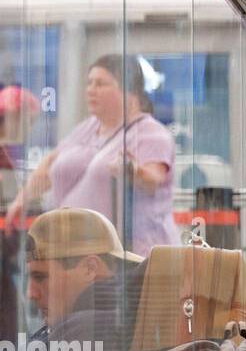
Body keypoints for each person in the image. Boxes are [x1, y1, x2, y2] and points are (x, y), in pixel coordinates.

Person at [4, 54, 181, 256]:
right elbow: (51, 164)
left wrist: (133, 170)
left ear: (129, 91)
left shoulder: (151, 133)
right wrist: (21, 200)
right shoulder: (87, 128)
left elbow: (154, 179)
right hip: (77, 254)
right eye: (89, 83)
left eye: (100, 83)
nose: (90, 90)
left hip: (132, 256)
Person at [6, 207, 141, 351]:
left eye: (41, 277)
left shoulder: (83, 331)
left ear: (89, 269)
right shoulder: (121, 322)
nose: (31, 293)